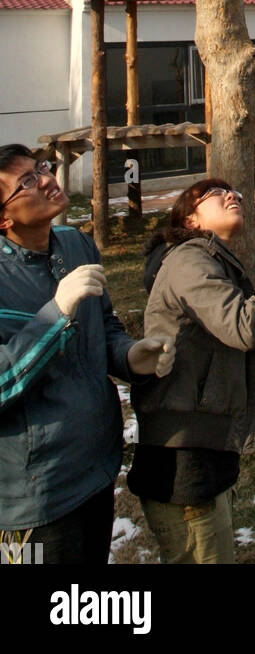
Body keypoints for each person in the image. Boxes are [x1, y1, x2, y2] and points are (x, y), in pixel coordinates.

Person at [129, 176, 255, 564]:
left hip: (204, 451)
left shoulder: (212, 260)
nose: (232, 195)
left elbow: (214, 343)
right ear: (189, 220)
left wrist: (244, 389)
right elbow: (242, 326)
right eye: (215, 194)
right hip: (182, 462)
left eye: (235, 192)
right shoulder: (188, 258)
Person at [0, 143, 175, 564]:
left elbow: (104, 326)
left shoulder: (75, 246)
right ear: (3, 218)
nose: (46, 179)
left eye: (40, 168)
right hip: (32, 498)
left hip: (95, 472)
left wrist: (132, 356)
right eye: (26, 181)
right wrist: (55, 313)